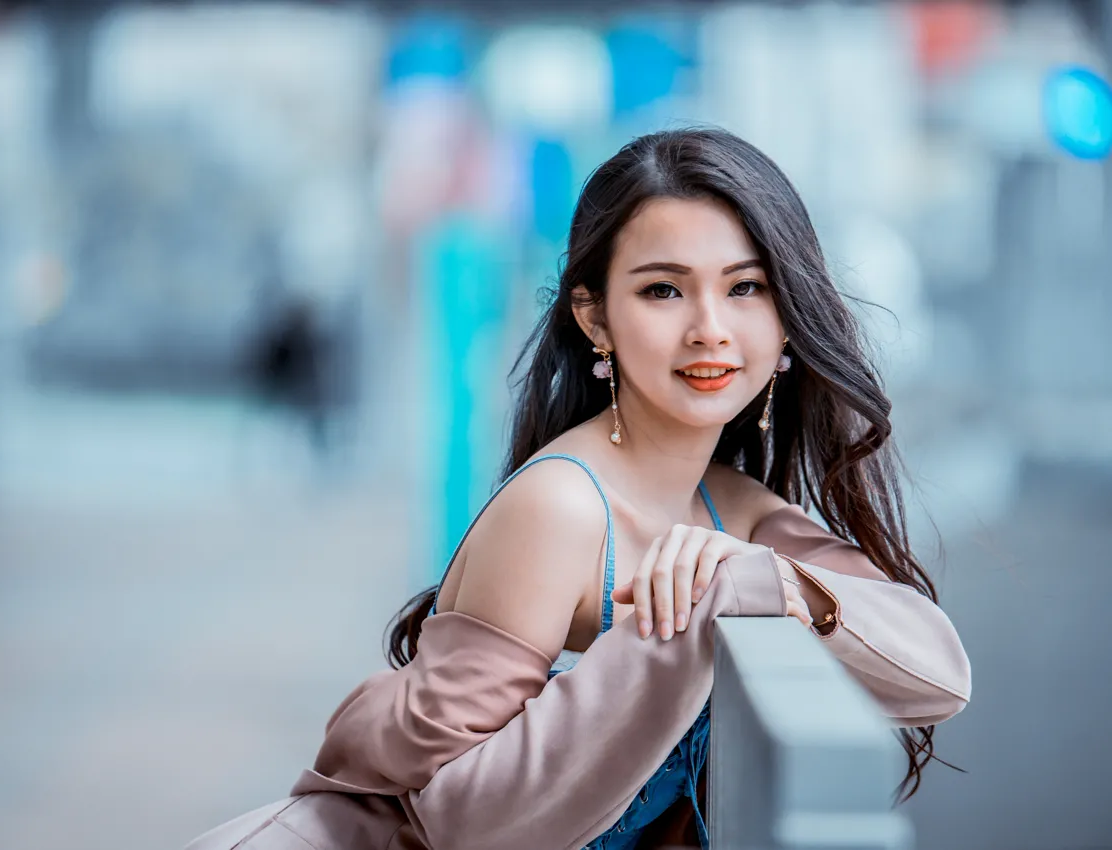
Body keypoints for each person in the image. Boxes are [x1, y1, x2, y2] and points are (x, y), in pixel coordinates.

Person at [186, 127, 971, 850]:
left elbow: (939, 674)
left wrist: (755, 578)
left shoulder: (727, 508)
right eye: (664, 290)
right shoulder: (561, 505)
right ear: (594, 318)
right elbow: (467, 823)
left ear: (789, 315)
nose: (710, 328)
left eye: (747, 288)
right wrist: (682, 625)